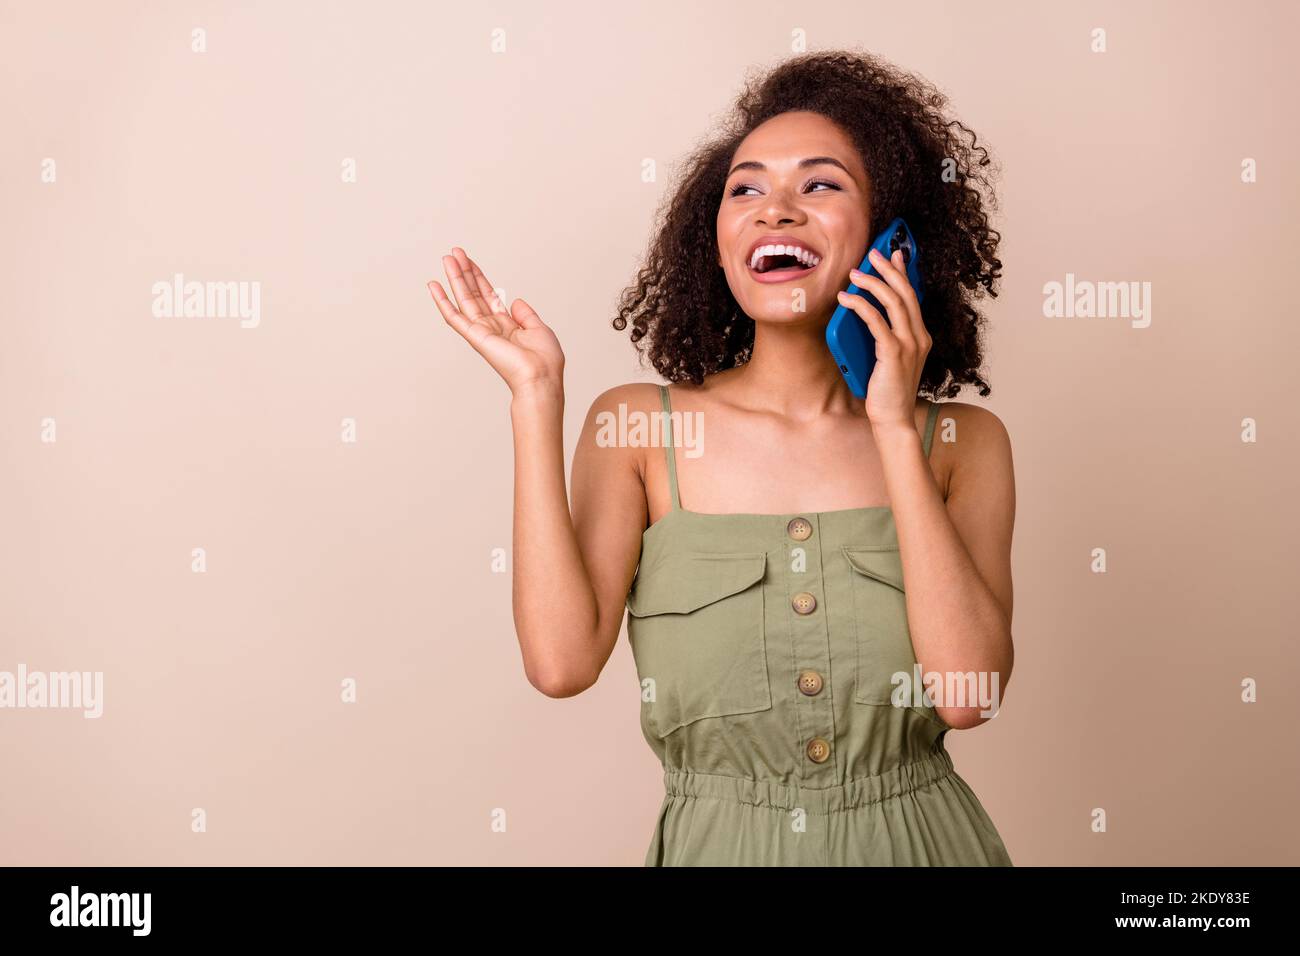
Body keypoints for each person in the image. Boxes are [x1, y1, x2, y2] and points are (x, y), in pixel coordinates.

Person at [429, 49, 1014, 866]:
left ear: (894, 234)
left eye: (819, 184)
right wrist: (535, 399)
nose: (774, 210)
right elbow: (560, 664)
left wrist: (890, 426)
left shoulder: (960, 444)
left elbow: (964, 697)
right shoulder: (637, 429)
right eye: (746, 189)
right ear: (716, 236)